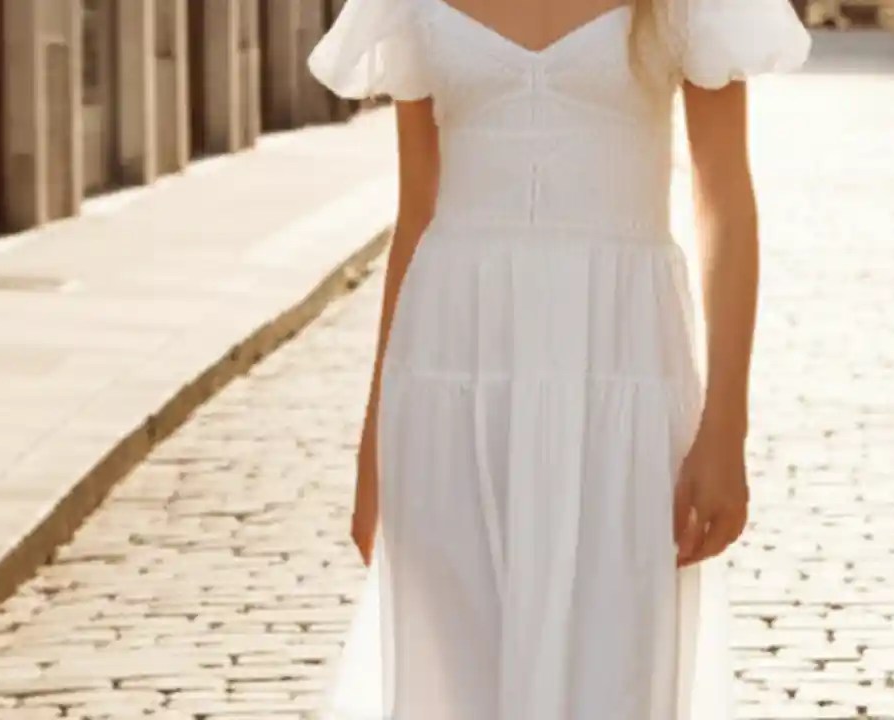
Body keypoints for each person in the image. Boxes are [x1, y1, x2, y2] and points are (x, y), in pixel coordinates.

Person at [308, 0, 810, 717]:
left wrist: (726, 425)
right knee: (455, 687)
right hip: (451, 373)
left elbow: (724, 196)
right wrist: (372, 446)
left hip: (620, 370)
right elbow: (417, 207)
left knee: (613, 676)